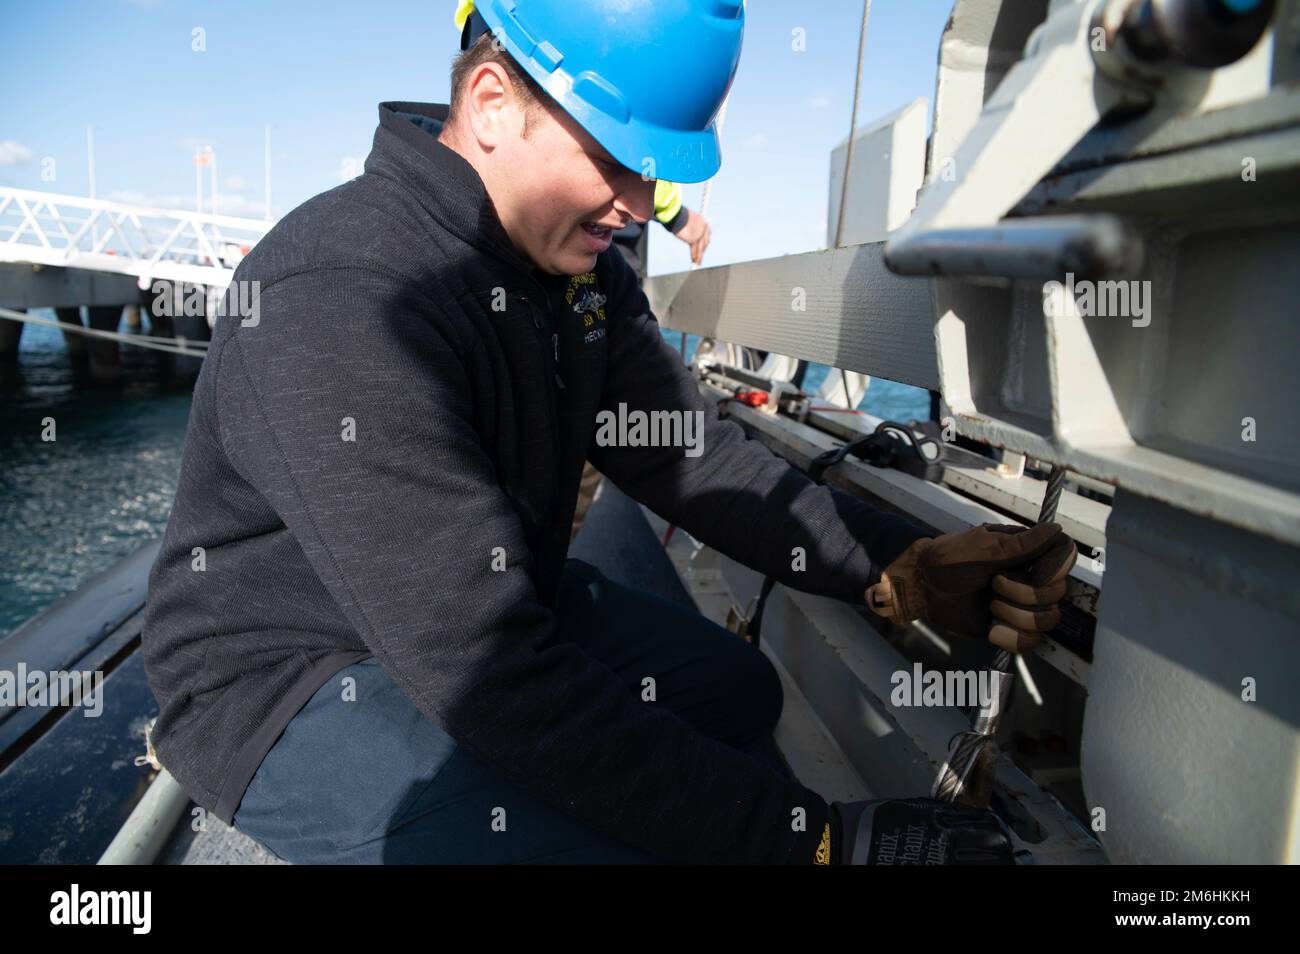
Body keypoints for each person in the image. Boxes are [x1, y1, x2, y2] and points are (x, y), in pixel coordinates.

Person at [141, 0, 1075, 865]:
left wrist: (904, 565)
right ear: (494, 102)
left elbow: (693, 454)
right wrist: (819, 843)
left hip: (489, 612)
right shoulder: (342, 294)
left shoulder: (579, 276)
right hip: (291, 680)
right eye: (617, 160)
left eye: (654, 170)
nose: (639, 202)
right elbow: (494, 672)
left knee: (739, 693)